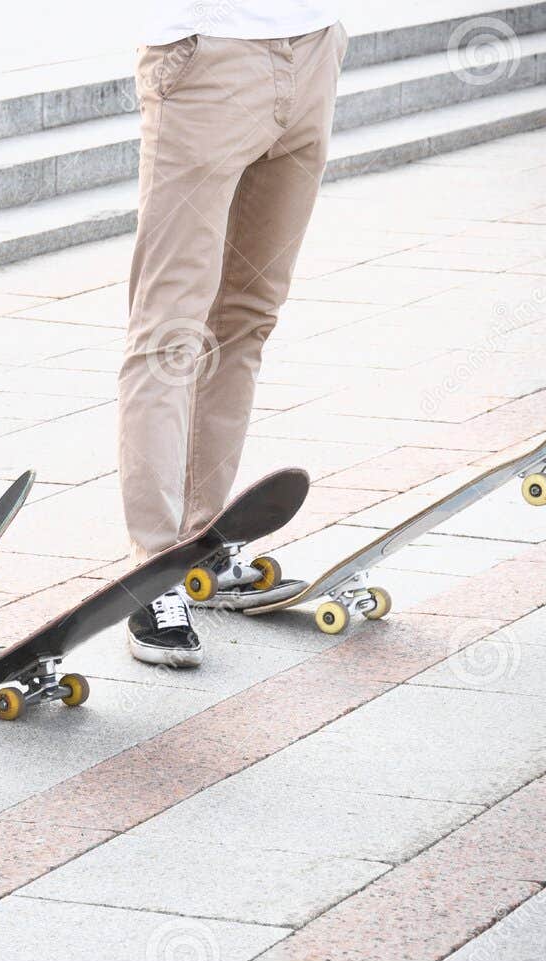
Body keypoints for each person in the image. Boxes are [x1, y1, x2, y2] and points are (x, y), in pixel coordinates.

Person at [119, 3, 346, 666]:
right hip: (206, 56)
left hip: (314, 46)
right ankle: (154, 572)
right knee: (169, 329)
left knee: (247, 316)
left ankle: (203, 548)